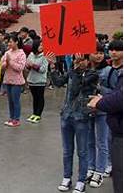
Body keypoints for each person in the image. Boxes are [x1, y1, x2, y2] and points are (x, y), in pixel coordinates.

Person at [49, 53, 99, 193]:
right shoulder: (72, 72)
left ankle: (81, 180)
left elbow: (77, 87)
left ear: (88, 61)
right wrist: (52, 66)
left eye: (83, 59)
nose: (80, 61)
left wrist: (75, 68)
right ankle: (66, 177)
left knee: (82, 151)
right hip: (66, 115)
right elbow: (58, 82)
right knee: (67, 150)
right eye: (79, 58)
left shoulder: (92, 74)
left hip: (81, 117)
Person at [88, 60, 122, 193]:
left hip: (108, 115)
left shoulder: (110, 71)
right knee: (90, 141)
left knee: (102, 142)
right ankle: (91, 167)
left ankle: (100, 170)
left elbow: (117, 95)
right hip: (89, 110)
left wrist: (101, 100)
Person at [1, 35, 26, 127]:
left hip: (17, 81)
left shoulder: (21, 54)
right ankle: (11, 118)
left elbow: (20, 68)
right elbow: (2, 64)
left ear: (16, 42)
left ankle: (16, 119)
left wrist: (10, 62)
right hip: (8, 79)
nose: (9, 44)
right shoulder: (7, 52)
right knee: (10, 100)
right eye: (9, 42)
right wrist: (6, 63)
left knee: (16, 100)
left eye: (11, 42)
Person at [25, 39, 48, 123]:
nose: (41, 47)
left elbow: (43, 69)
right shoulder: (31, 55)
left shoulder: (45, 56)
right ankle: (34, 113)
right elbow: (26, 68)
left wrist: (33, 65)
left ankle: (38, 114)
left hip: (40, 81)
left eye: (42, 45)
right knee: (35, 98)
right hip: (31, 80)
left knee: (40, 97)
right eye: (40, 45)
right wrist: (27, 66)